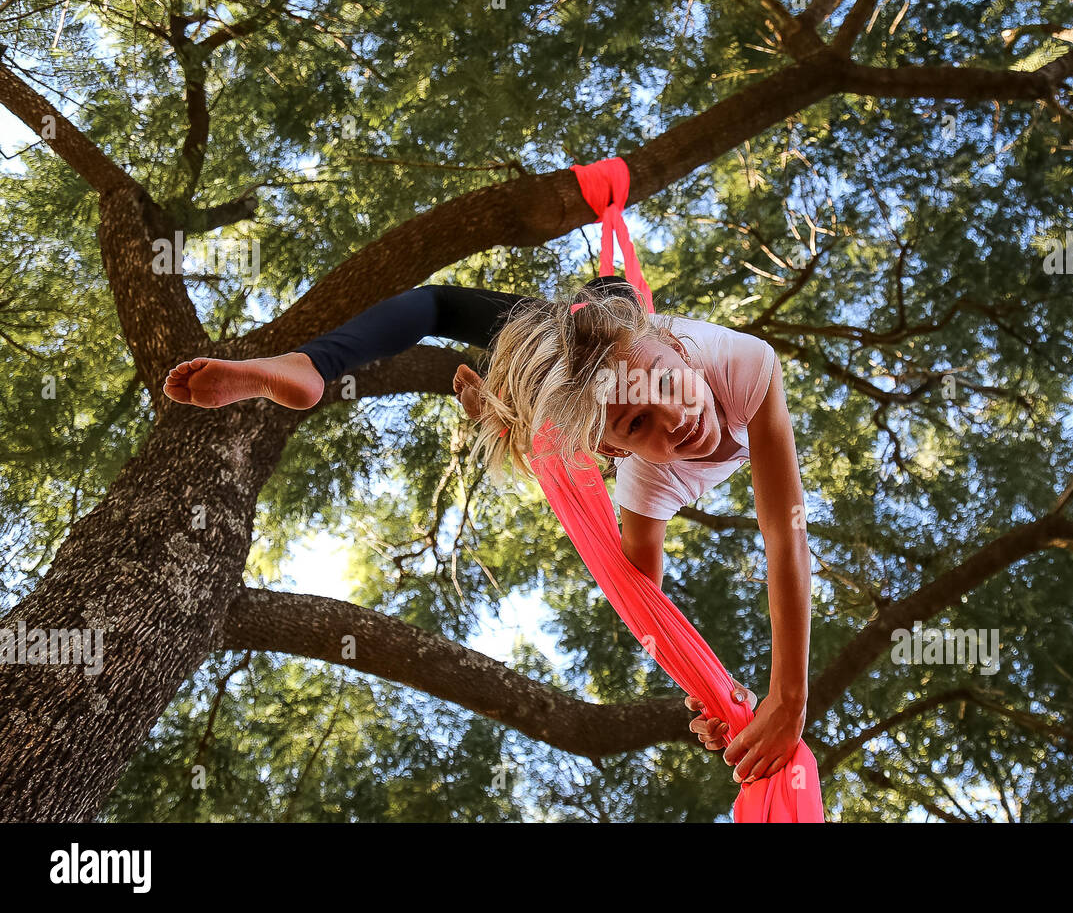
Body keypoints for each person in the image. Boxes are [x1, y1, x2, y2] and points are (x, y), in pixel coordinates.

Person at [163, 275, 812, 786]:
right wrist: (742, 694)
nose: (677, 415)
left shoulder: (741, 363)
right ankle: (315, 366)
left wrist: (741, 696)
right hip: (575, 332)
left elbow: (778, 534)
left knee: (595, 306)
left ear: (676, 346)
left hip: (606, 319)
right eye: (638, 424)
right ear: (614, 452)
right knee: (454, 308)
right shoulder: (644, 474)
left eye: (667, 381)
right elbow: (650, 604)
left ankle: (500, 410)